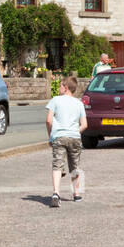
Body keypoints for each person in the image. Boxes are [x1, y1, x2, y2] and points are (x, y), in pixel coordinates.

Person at [45, 75, 86, 207]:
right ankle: (77, 194)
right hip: (74, 137)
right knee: (75, 166)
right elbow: (85, 125)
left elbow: (48, 120)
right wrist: (74, 132)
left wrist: (51, 136)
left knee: (57, 164)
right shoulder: (79, 103)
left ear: (66, 88)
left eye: (61, 85)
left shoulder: (55, 100)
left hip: (59, 136)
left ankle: (56, 192)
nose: (59, 88)